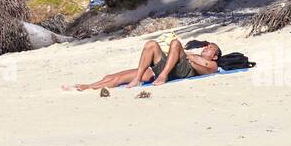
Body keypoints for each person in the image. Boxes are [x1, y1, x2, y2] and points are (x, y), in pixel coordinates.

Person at [63, 37, 221, 94]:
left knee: (175, 42)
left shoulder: (212, 64)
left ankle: (163, 76)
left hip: (179, 72)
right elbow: (180, 55)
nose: (206, 47)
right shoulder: (192, 55)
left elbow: (206, 70)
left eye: (211, 48)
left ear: (215, 55)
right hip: (167, 68)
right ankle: (89, 86)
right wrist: (186, 54)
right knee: (151, 44)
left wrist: (187, 56)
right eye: (206, 46)